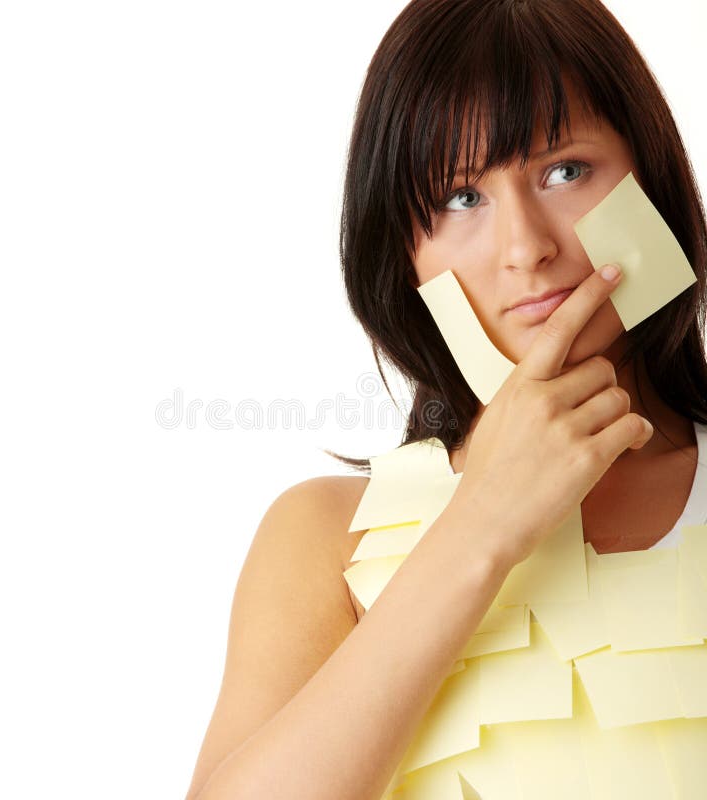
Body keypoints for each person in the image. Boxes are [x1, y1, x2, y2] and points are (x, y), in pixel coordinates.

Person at [185, 1, 707, 797]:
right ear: (407, 256)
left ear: (652, 180)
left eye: (565, 171)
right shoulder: (326, 536)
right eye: (462, 198)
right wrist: (483, 523)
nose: (528, 247)